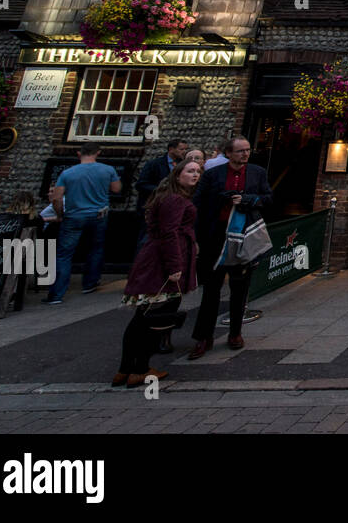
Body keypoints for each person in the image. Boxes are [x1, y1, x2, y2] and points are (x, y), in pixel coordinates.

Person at [116, 160, 200, 387]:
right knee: (155, 318)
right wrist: (175, 267)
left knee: (142, 317)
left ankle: (126, 369)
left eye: (198, 171)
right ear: (177, 174)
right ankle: (140, 368)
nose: (195, 174)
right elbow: (169, 234)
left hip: (156, 259)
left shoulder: (167, 196)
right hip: (162, 265)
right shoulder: (174, 199)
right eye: (190, 171)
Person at [189, 136, 272, 358]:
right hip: (216, 236)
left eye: (247, 150)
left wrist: (248, 200)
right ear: (228, 153)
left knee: (240, 287)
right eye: (240, 151)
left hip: (243, 236)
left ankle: (235, 333)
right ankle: (203, 337)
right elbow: (198, 203)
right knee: (211, 289)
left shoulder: (257, 173)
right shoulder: (213, 175)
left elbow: (268, 198)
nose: (245, 154)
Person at [43, 144, 121, 304]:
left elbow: (57, 198)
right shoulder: (108, 170)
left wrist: (60, 215)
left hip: (74, 216)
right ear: (98, 152)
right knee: (95, 248)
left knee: (64, 255)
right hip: (99, 215)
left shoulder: (67, 173)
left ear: (79, 153)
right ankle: (90, 284)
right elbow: (117, 189)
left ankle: (57, 294)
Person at [134, 140, 187, 250]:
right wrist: (162, 190)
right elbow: (141, 184)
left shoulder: (182, 165)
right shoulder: (154, 164)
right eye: (181, 149)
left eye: (185, 149)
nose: (184, 152)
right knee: (146, 239)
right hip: (153, 207)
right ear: (171, 149)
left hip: (172, 208)